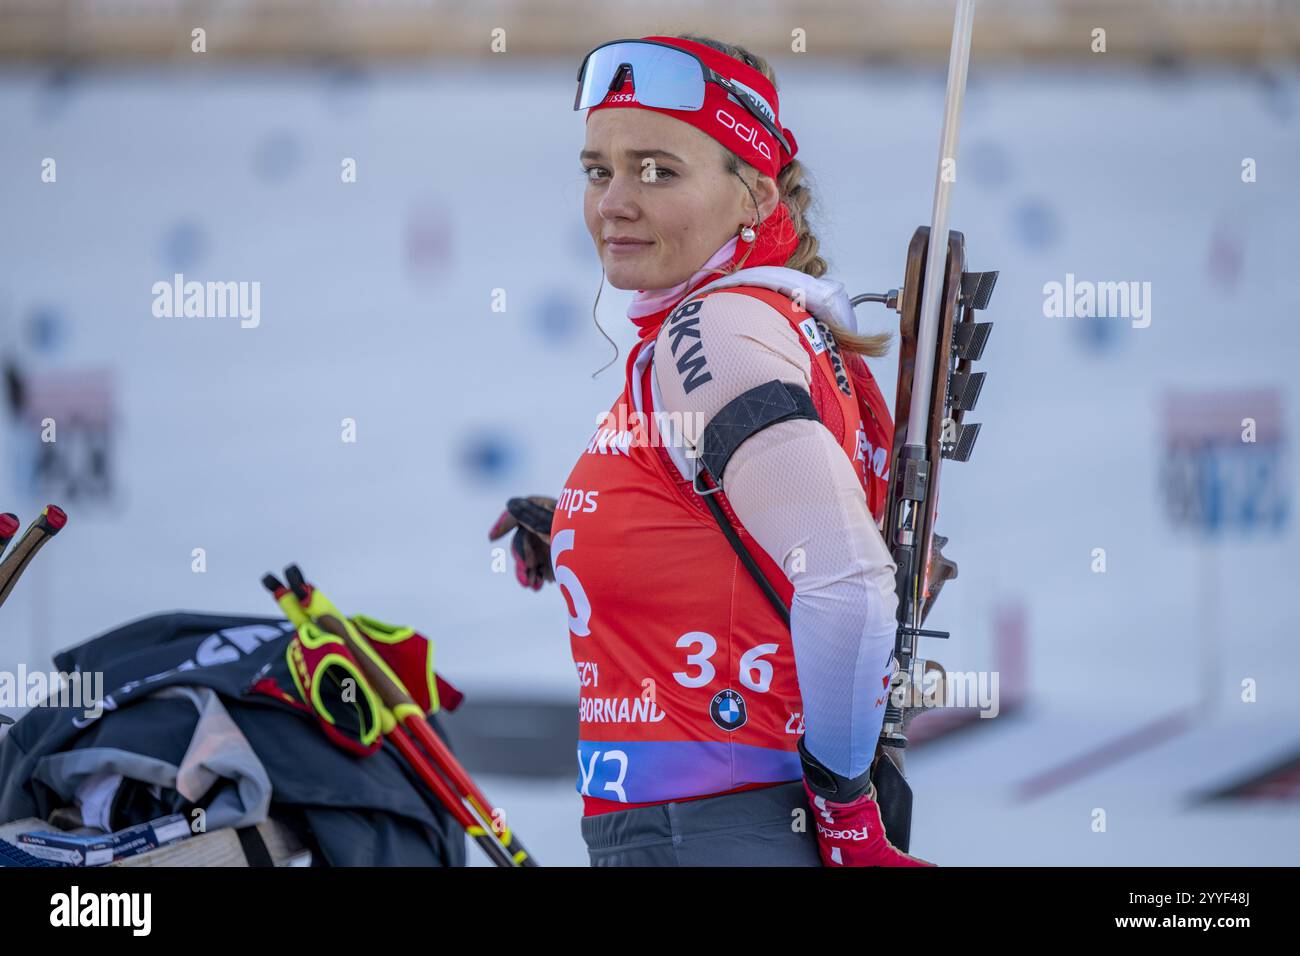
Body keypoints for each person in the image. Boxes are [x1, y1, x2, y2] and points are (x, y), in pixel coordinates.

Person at [489, 33, 932, 867]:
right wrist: (590, 530)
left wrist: (846, 813)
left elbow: (849, 580)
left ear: (753, 194)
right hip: (705, 829)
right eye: (598, 170)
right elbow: (749, 537)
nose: (614, 201)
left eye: (657, 170)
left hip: (717, 831)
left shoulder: (714, 332)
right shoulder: (759, 325)